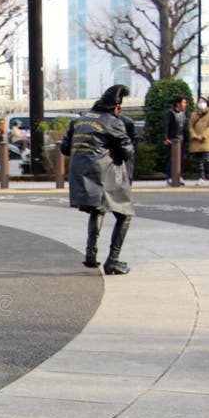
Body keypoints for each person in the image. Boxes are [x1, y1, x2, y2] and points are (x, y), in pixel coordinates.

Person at [60, 84, 134, 275]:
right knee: (124, 213)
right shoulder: (112, 121)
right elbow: (127, 151)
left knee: (98, 209)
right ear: (116, 107)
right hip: (106, 174)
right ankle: (113, 261)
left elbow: (64, 149)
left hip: (81, 173)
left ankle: (90, 254)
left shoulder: (78, 121)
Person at [163, 95, 188, 186]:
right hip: (172, 140)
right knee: (171, 160)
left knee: (181, 160)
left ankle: (179, 176)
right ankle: (169, 177)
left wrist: (186, 140)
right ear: (178, 103)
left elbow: (184, 128)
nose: (185, 104)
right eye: (183, 102)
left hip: (181, 140)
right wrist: (165, 138)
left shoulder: (183, 113)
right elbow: (166, 126)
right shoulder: (170, 113)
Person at [188, 96, 209, 185]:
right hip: (195, 140)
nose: (201, 103)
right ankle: (201, 178)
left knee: (207, 160)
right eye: (199, 102)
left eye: (203, 102)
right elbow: (190, 126)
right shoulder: (194, 114)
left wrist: (203, 136)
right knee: (198, 161)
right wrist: (194, 136)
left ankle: (207, 176)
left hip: (206, 140)